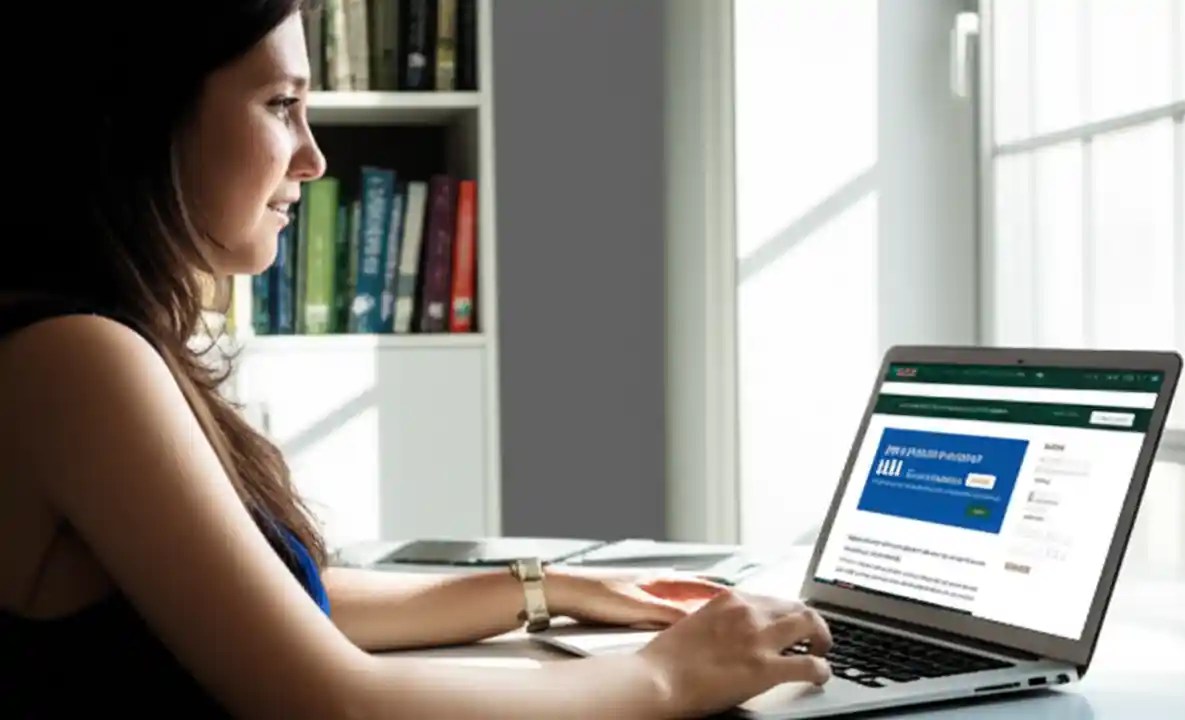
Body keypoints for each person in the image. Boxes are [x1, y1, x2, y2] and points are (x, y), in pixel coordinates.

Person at [0, 2, 833, 717]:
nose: (313, 158)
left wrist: (543, 590)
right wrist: (665, 677)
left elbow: (266, 603)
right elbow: (328, 701)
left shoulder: (76, 345)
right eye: (281, 104)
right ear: (149, 114)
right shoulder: (76, 360)